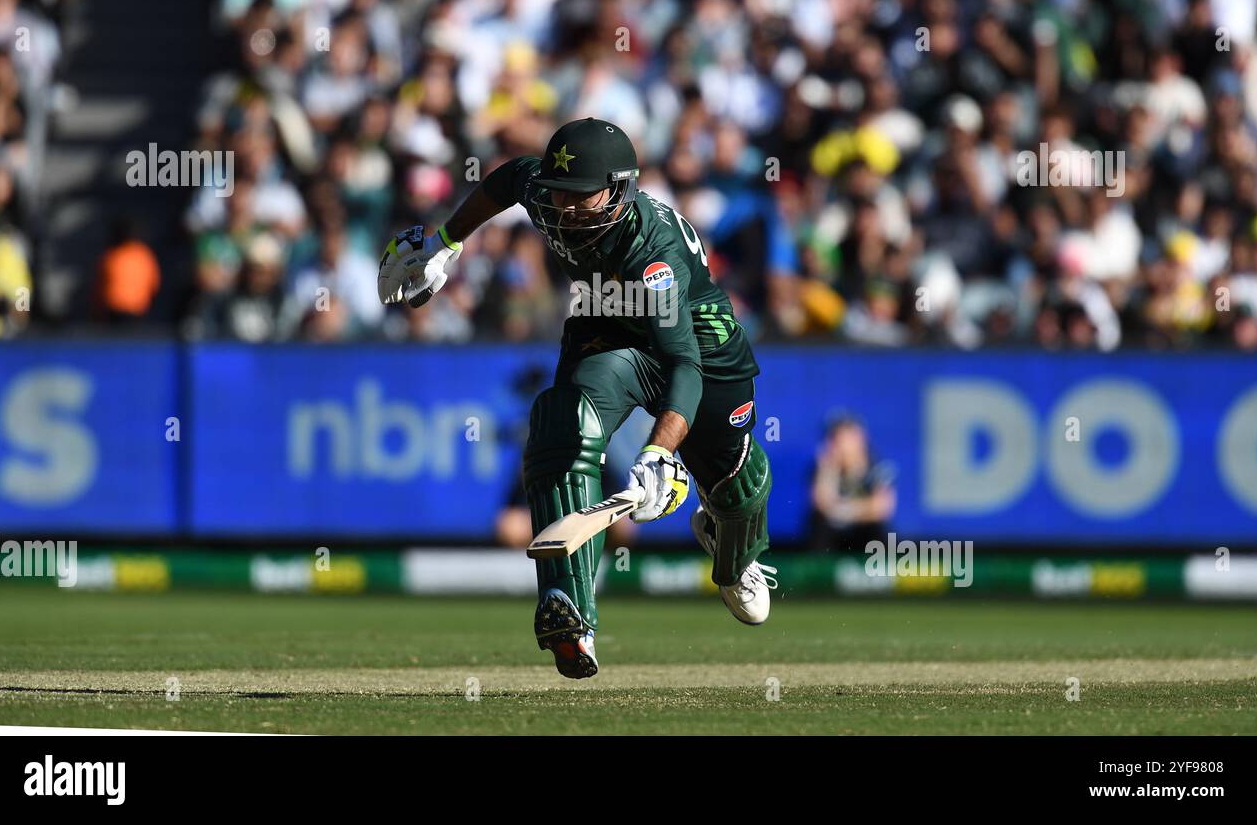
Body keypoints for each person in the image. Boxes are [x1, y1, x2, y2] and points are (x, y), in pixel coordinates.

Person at [377, 117, 775, 679]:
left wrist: (659, 452)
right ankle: (572, 618)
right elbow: (508, 179)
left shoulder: (650, 255)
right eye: (557, 192)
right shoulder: (545, 192)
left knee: (737, 487)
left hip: (700, 347)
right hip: (607, 324)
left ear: (619, 188)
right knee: (564, 424)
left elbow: (682, 363)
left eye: (578, 195)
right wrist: (446, 241)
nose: (562, 208)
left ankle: (733, 555)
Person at [809, 413, 896, 552]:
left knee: (877, 530)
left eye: (845, 438)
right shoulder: (824, 466)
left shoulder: (878, 468)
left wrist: (842, 511)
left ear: (860, 439)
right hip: (833, 537)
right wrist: (829, 470)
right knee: (820, 525)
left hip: (865, 535)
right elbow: (822, 503)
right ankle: (817, 569)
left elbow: (881, 508)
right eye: (835, 439)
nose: (840, 444)